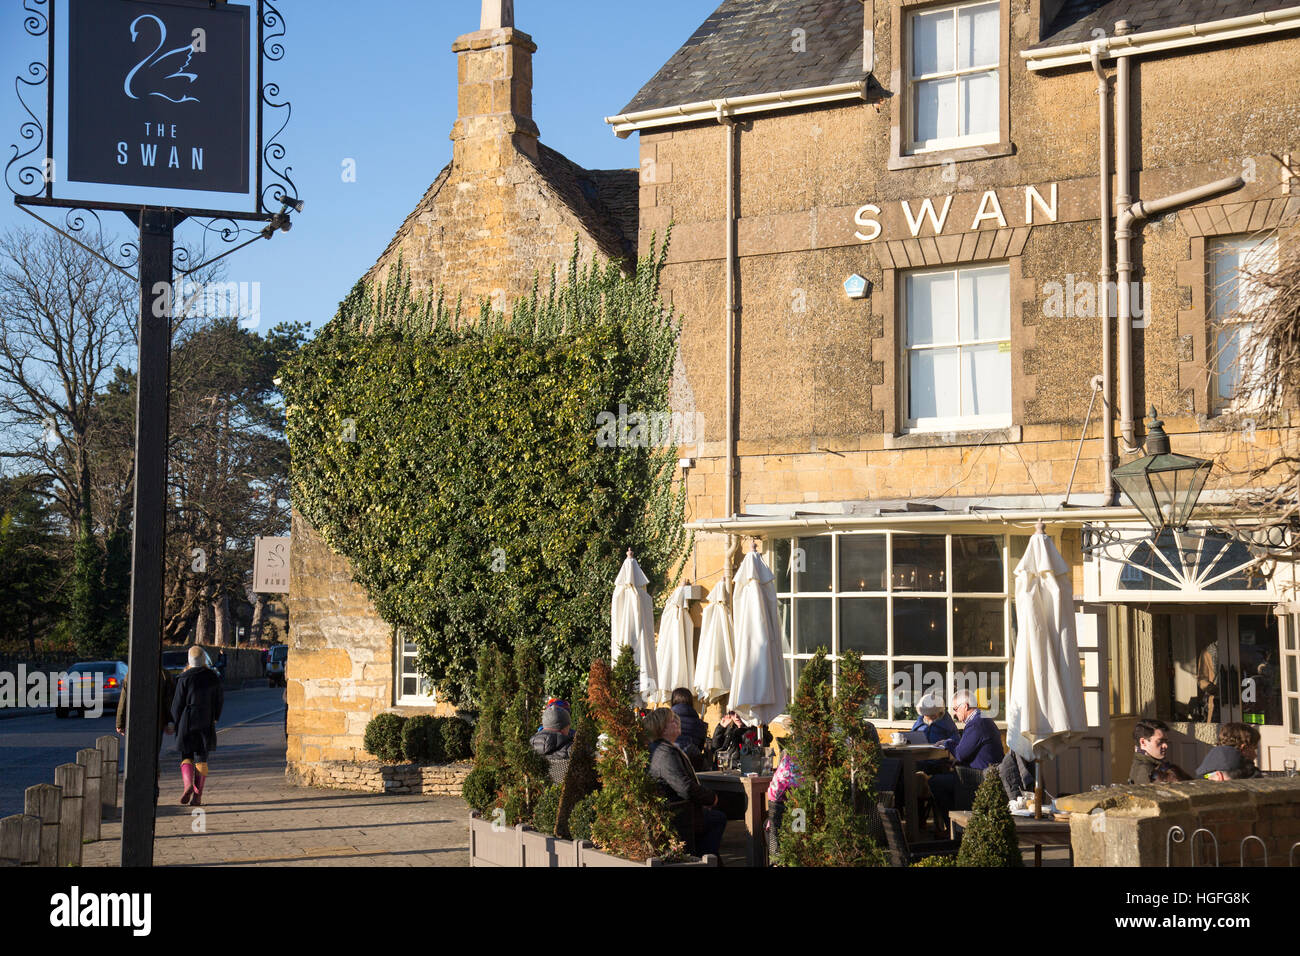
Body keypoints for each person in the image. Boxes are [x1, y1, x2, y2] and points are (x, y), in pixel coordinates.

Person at [644, 708, 726, 858]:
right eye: (672, 721)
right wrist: (711, 798)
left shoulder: (660, 749)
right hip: (678, 815)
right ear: (662, 728)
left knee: (714, 816)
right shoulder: (665, 753)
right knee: (717, 818)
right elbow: (685, 787)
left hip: (677, 811)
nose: (677, 722)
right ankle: (704, 861)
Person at [924, 689, 1004, 833]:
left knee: (935, 782)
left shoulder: (976, 724)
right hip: (984, 773)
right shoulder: (981, 719)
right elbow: (967, 752)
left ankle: (956, 827)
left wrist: (948, 743)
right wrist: (956, 759)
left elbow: (960, 754)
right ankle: (957, 825)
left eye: (955, 709)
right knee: (944, 778)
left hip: (979, 777)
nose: (954, 714)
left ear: (965, 706)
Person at [171, 645, 224, 807]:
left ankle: (187, 784)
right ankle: (197, 797)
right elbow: (219, 700)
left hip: (187, 719)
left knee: (186, 754)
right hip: (206, 719)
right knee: (202, 757)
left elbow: (177, 704)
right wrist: (215, 717)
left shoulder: (184, 678)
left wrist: (175, 721)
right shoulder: (213, 677)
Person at [530, 700, 574, 783]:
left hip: (538, 789)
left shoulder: (528, 749)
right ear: (564, 728)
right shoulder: (573, 750)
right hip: (567, 789)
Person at [670, 688, 707, 769]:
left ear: (673, 700)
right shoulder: (700, 724)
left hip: (669, 761)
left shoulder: (666, 720)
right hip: (692, 766)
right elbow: (700, 747)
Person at [1128, 718, 1172, 784]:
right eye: (1160, 741)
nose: (1165, 746)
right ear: (1143, 742)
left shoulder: (1152, 764)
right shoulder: (1146, 772)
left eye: (1166, 741)